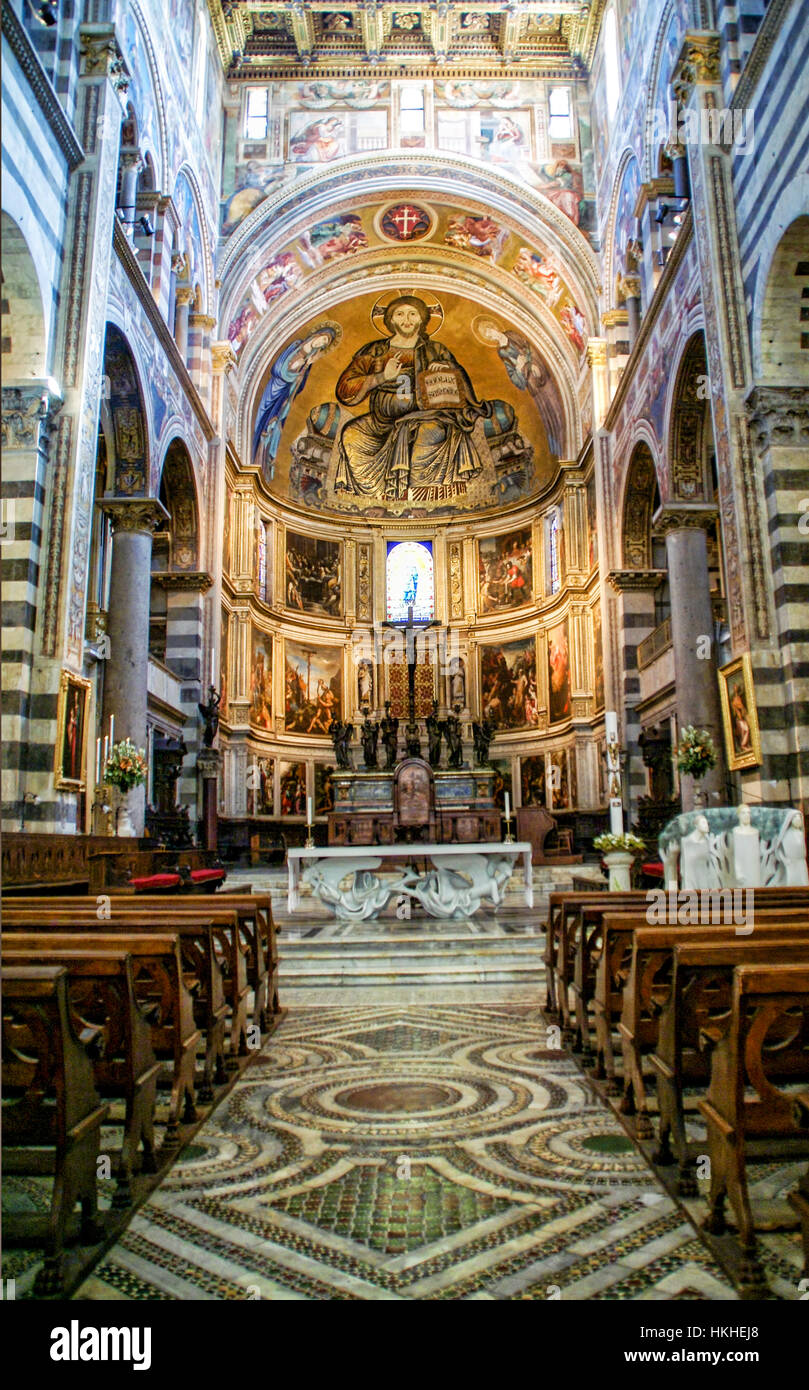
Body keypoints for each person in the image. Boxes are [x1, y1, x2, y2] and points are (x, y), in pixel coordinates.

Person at [334, 295, 491, 503]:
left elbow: (461, 389)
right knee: (351, 434)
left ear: (421, 319)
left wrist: (447, 371)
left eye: (412, 314)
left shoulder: (436, 350)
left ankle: (424, 502)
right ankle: (378, 499)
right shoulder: (375, 351)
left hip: (427, 416)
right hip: (382, 423)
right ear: (391, 320)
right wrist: (381, 377)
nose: (406, 319)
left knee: (430, 433)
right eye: (399, 314)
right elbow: (346, 388)